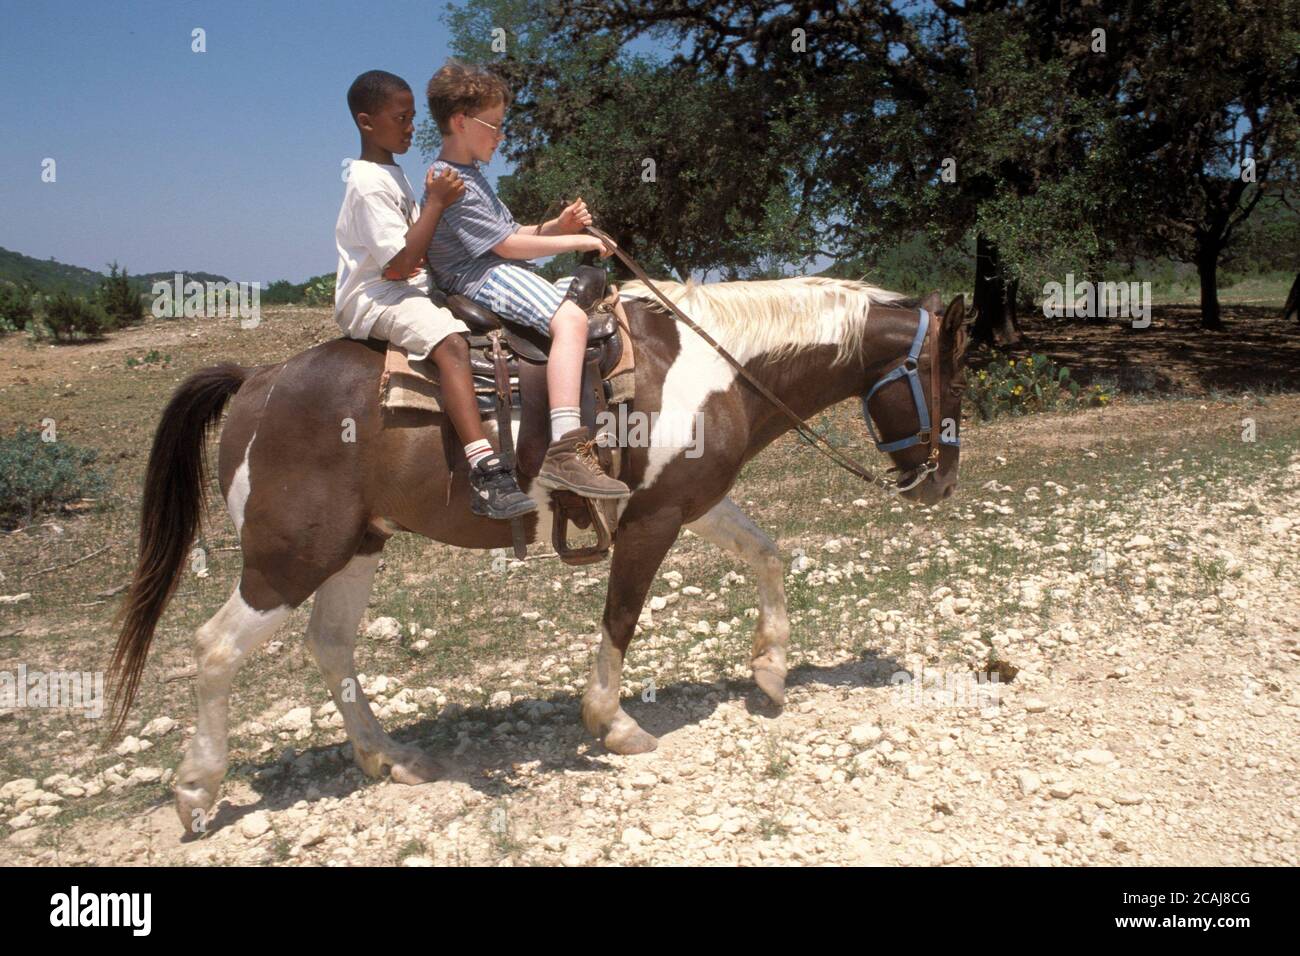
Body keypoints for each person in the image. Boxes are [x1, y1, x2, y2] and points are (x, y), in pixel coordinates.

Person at [423, 60, 630, 500]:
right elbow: (507, 249)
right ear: (460, 122)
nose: (501, 135)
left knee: (583, 303)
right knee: (571, 321)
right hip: (476, 274)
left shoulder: (472, 177)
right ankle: (566, 447)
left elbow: (514, 234)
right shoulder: (452, 180)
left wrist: (558, 224)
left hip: (492, 264)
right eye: (493, 125)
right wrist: (578, 241)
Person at [334, 70, 535, 520]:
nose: (410, 127)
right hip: (377, 295)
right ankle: (485, 468)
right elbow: (400, 265)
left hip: (406, 287)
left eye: (412, 117)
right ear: (367, 123)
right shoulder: (367, 183)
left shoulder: (392, 173)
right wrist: (437, 203)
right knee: (451, 343)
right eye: (400, 118)